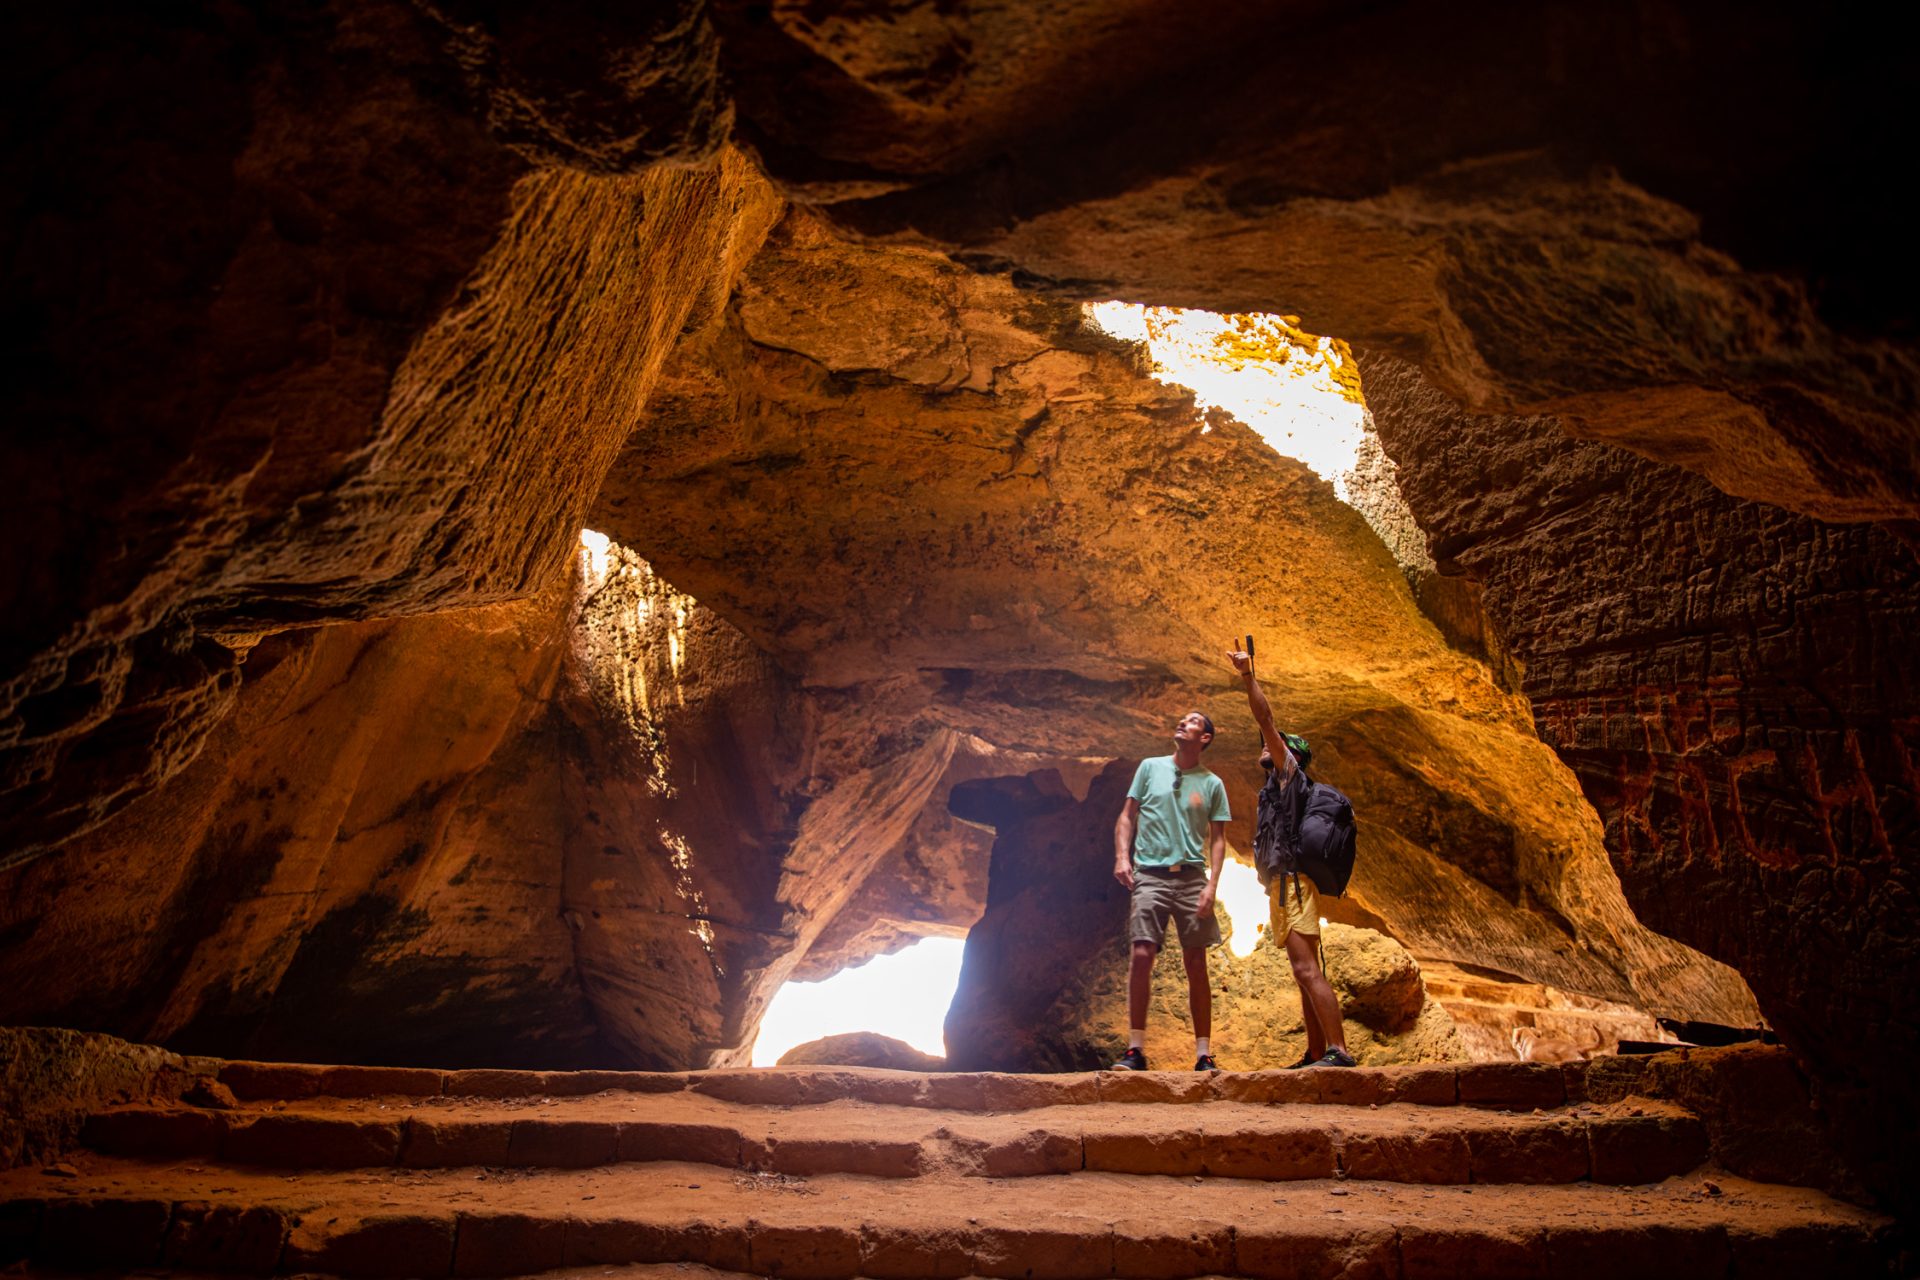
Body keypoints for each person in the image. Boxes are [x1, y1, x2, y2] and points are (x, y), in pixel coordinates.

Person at [1228, 646, 1354, 1068]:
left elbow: (1265, 720)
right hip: (1282, 888)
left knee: (1307, 970)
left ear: (1291, 755)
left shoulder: (1290, 779)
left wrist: (1248, 677)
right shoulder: (1273, 791)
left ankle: (1338, 1050)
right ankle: (1317, 1052)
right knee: (1302, 976)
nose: (1265, 745)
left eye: (1276, 744)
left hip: (1295, 886)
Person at [1110, 710, 1231, 1071]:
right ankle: (1135, 1050)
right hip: (1150, 872)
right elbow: (1127, 815)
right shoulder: (1150, 767)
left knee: (1196, 960)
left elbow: (1219, 839)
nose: (1182, 722)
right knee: (1142, 953)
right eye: (1181, 719)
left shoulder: (1212, 783)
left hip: (1192, 876)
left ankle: (1203, 1053)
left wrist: (1212, 885)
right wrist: (1121, 857)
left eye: (1192, 721)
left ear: (1205, 737)